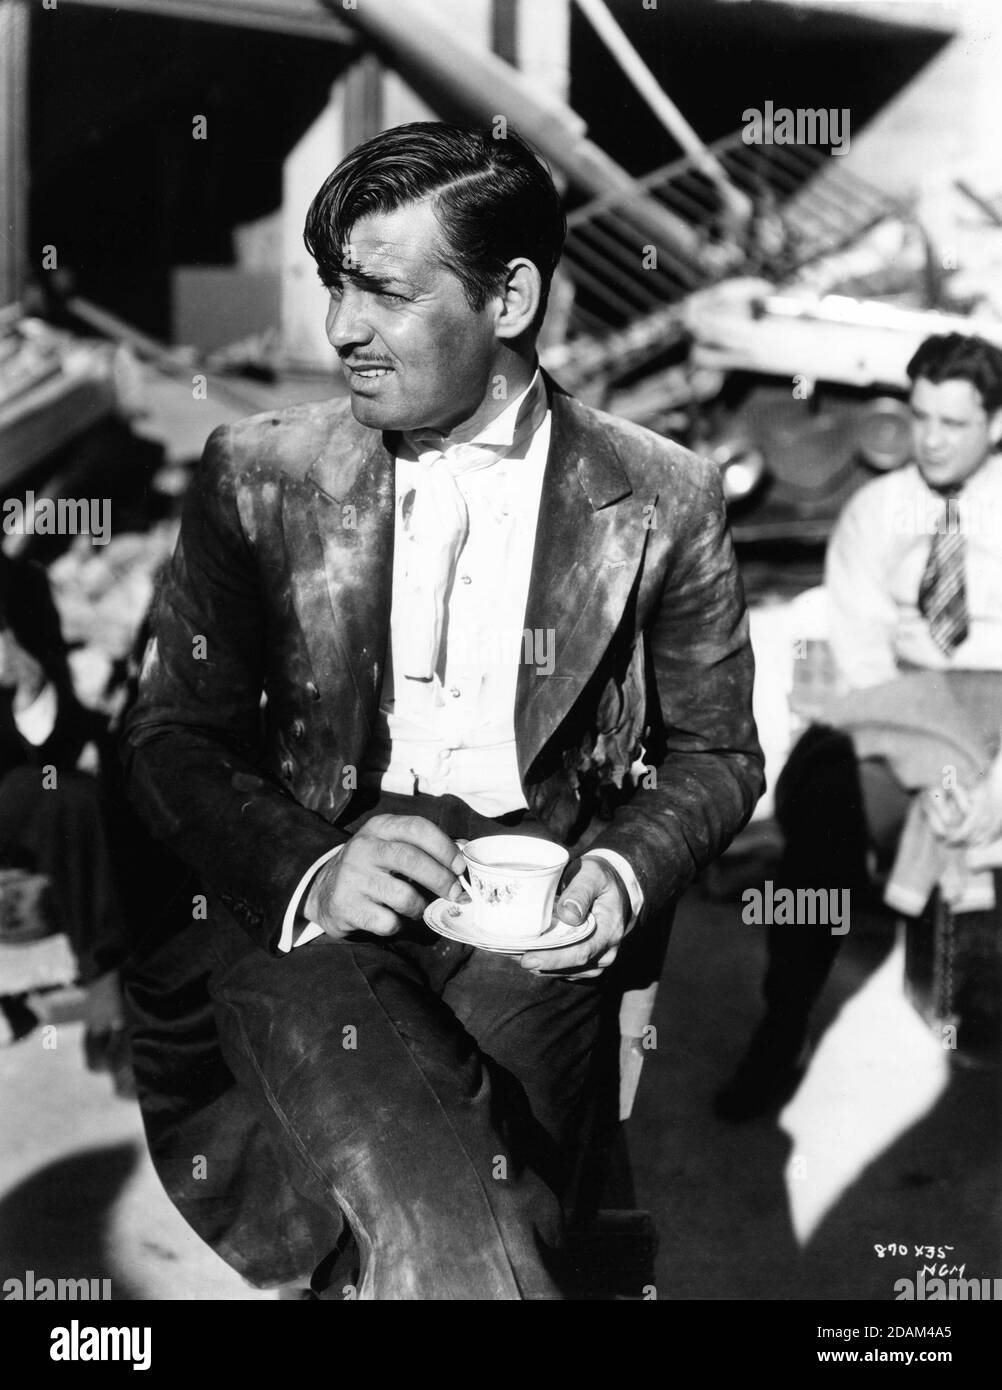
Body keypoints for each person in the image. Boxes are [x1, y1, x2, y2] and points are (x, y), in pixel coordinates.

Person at [122, 121, 763, 1300]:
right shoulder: (256, 471)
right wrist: (315, 869)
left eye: (383, 292)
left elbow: (718, 753)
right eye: (333, 286)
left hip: (531, 918)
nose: (339, 330)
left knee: (435, 1213)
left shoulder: (663, 493)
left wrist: (620, 873)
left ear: (509, 296)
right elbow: (169, 739)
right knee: (470, 1210)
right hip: (310, 912)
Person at [715, 331, 1002, 1122]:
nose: (933, 440)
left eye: (956, 422)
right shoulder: (878, 512)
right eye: (921, 419)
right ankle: (782, 1028)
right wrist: (934, 764)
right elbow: (870, 668)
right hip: (908, 713)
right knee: (820, 807)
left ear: (997, 424)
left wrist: (987, 781)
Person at [0, 551, 128, 1071]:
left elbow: (60, 749)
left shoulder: (20, 585)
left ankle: (107, 992)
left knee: (69, 796)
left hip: (10, 797)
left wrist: (32, 693)